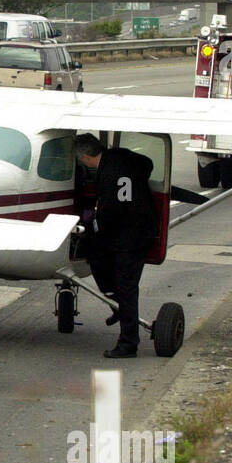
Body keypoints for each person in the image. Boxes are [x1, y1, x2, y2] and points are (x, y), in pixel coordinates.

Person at [74, 134, 158, 358]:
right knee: (97, 257)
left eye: (81, 161)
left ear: (85, 157)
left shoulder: (109, 174)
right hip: (136, 229)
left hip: (131, 236)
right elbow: (147, 164)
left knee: (126, 287)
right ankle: (115, 303)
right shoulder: (121, 156)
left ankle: (128, 343)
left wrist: (91, 224)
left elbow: (111, 213)